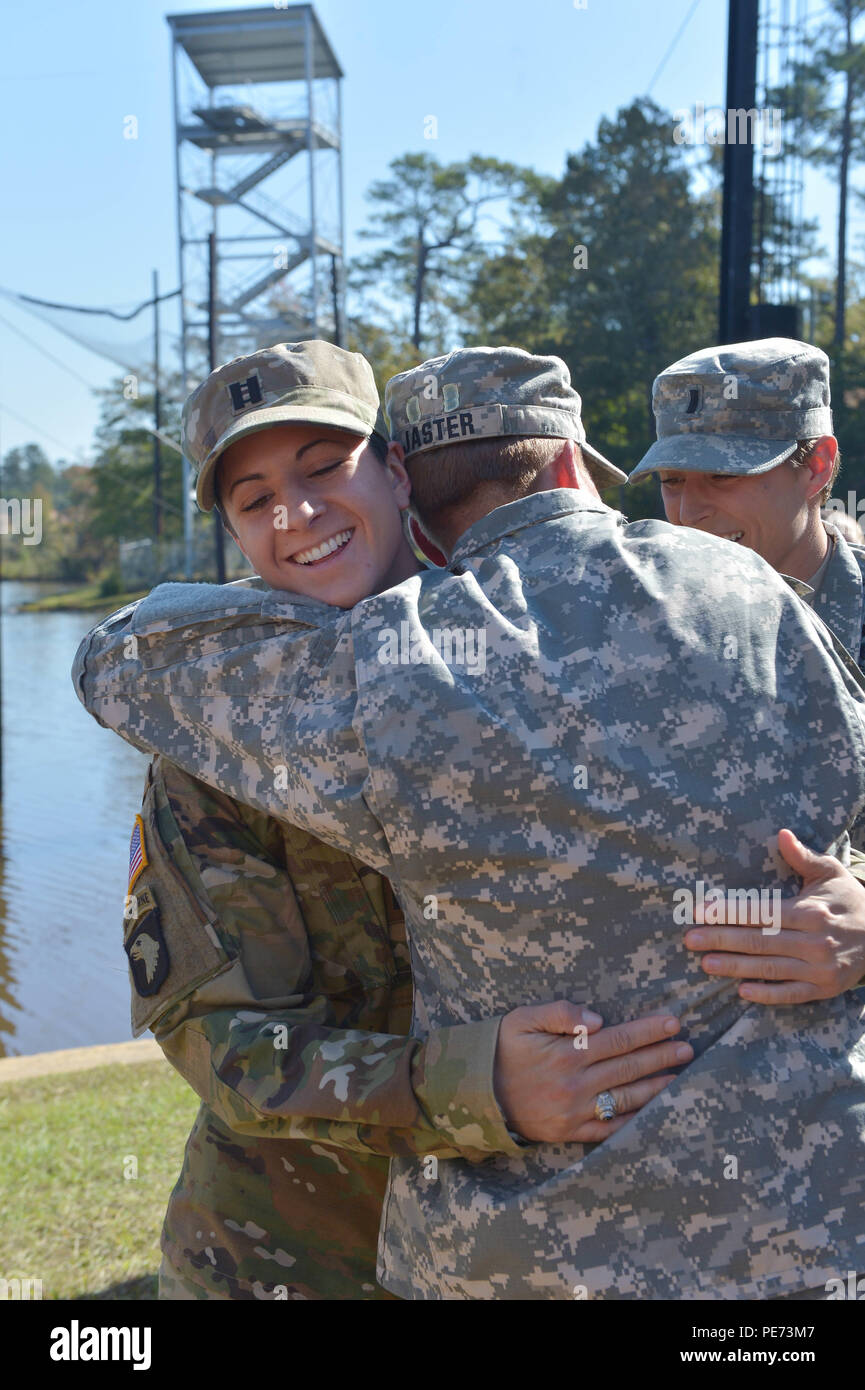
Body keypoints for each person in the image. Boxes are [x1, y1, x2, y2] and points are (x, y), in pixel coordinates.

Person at [73, 345, 865, 1301]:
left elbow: (746, 862)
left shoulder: (585, 641)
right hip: (296, 1246)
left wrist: (852, 913)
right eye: (253, 500)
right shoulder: (218, 730)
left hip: (532, 1249)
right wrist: (471, 1084)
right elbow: (222, 1044)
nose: (297, 513)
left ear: (397, 471)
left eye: (325, 469)